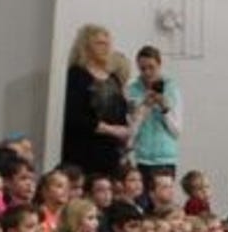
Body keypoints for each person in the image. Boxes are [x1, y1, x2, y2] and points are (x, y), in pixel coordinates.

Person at [61, 25, 134, 179]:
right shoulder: (77, 75)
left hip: (111, 152)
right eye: (100, 43)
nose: (106, 48)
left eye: (108, 43)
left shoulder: (113, 78)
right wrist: (112, 130)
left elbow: (121, 113)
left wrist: (125, 132)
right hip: (84, 150)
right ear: (86, 47)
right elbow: (75, 116)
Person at [127, 45, 182, 187]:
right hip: (142, 158)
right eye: (143, 68)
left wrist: (165, 107)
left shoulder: (171, 89)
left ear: (159, 64)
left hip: (166, 158)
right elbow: (131, 130)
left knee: (162, 199)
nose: (147, 72)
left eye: (151, 67)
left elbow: (176, 131)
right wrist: (145, 106)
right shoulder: (132, 90)